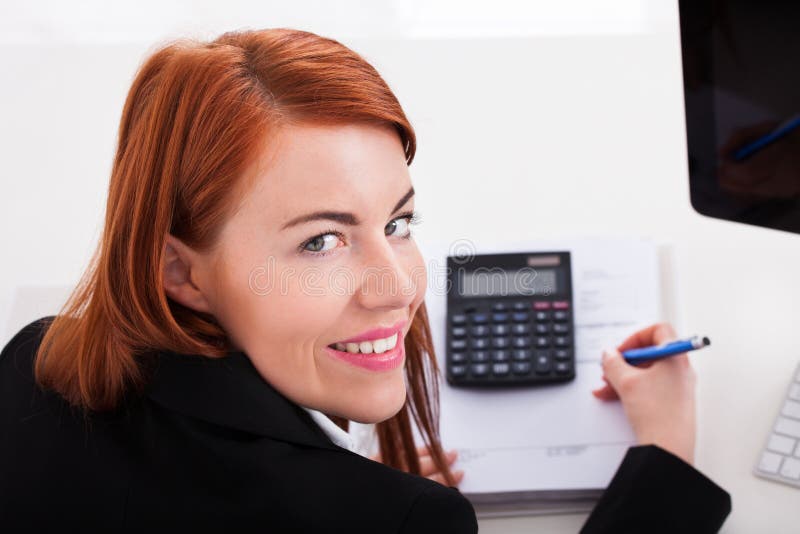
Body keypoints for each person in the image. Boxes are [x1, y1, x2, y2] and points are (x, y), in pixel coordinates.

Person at [0, 28, 731, 532]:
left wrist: (335, 464)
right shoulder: (398, 521)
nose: (398, 289)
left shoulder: (33, 359)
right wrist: (665, 455)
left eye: (399, 224)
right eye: (320, 241)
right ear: (179, 270)